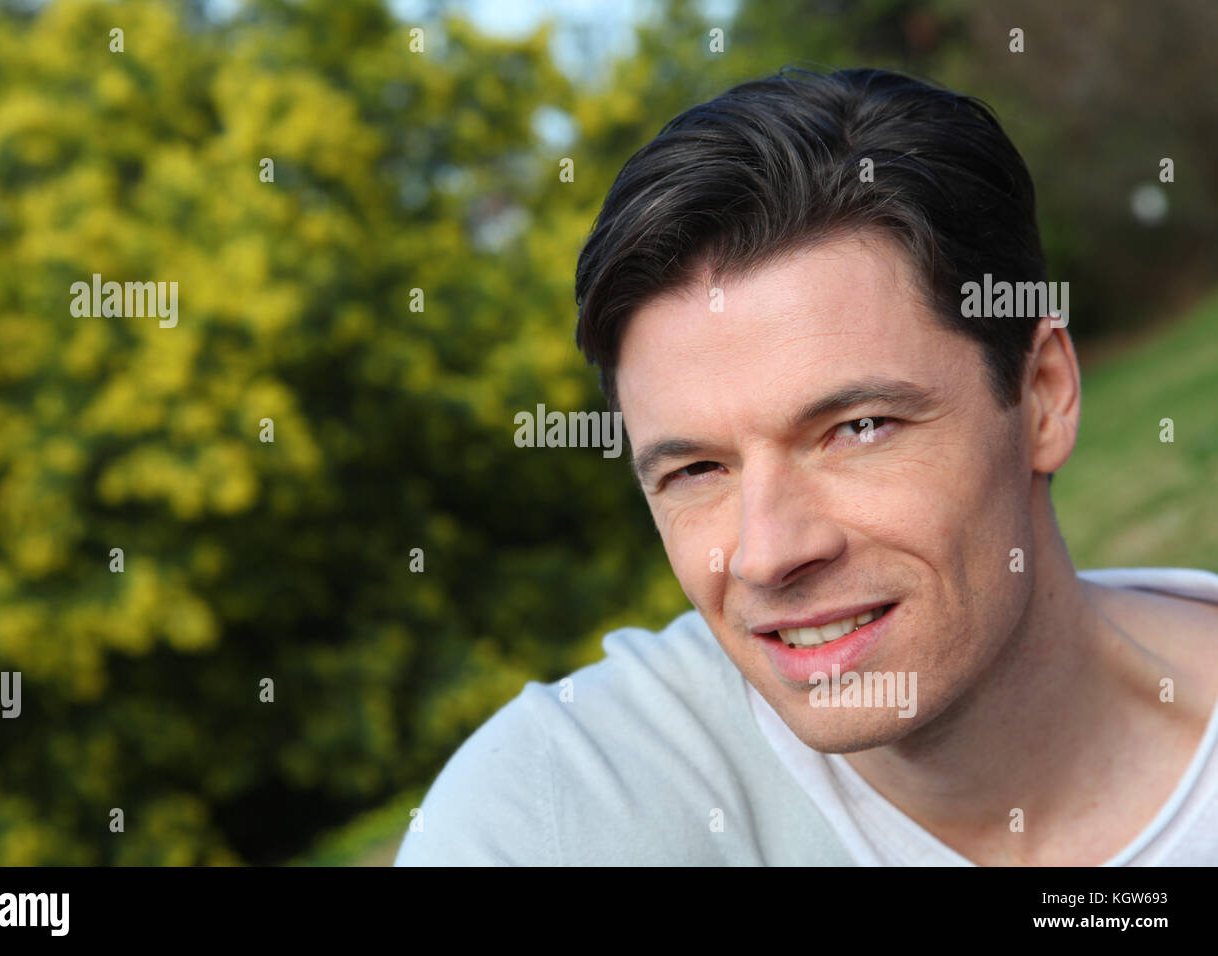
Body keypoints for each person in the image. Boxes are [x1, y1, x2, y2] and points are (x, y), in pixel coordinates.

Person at [395, 67, 1218, 866]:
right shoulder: (552, 811)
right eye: (695, 471)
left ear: (1042, 396)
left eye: (857, 427)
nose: (767, 552)